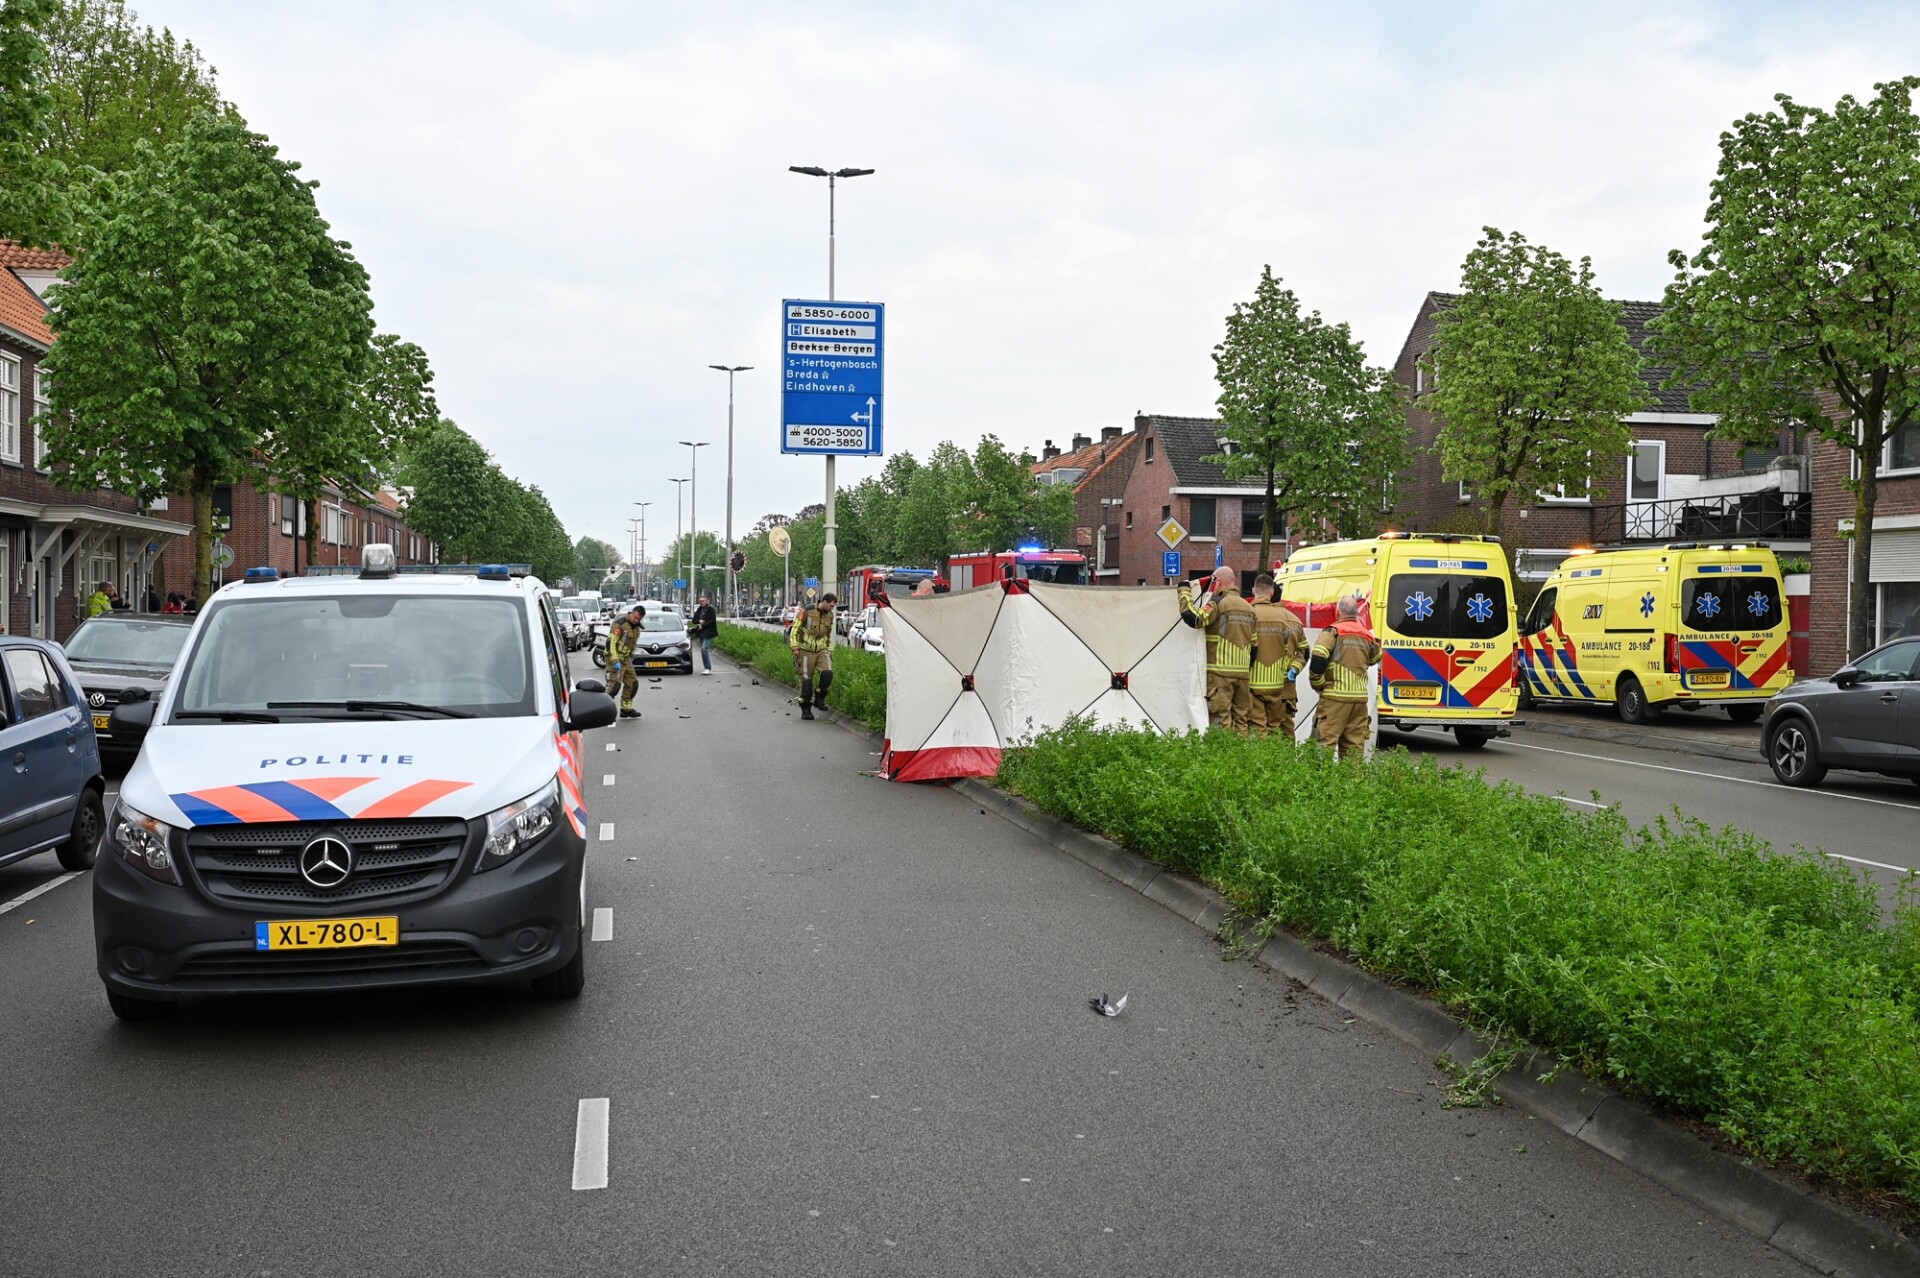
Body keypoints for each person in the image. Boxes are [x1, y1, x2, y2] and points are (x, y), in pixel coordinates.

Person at [1177, 567, 1257, 734]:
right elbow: (1255, 645)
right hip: (1242, 675)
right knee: (1242, 721)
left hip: (1220, 674)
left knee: (1221, 720)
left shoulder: (1219, 604)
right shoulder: (1249, 608)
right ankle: (1242, 758)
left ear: (1218, 582)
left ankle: (1223, 757)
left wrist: (1184, 592)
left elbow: (1195, 618)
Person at [1310, 591, 1382, 761]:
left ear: (1338, 611)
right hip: (1358, 700)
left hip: (1335, 698)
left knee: (1324, 744)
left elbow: (1318, 658)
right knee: (1354, 749)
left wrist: (1318, 684)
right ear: (1356, 613)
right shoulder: (1366, 635)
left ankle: (1322, 782)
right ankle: (1351, 785)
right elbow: (1376, 657)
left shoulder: (1333, 632)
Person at [1247, 573, 1307, 740]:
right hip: (1284, 686)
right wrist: (1294, 669)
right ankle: (1286, 764)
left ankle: (1264, 764)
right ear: (1272, 592)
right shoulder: (1291, 620)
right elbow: (1305, 651)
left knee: (1259, 730)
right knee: (1285, 730)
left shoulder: (1250, 615)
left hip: (1255, 684)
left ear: (1254, 590)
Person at [788, 591, 837, 721]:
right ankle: (806, 709)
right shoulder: (807, 611)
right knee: (806, 681)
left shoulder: (829, 616)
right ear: (824, 602)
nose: (832, 609)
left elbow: (828, 634)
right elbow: (795, 629)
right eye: (831, 606)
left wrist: (829, 650)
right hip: (805, 649)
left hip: (821, 649)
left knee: (828, 673)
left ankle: (819, 698)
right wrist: (794, 646)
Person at [605, 604, 643, 718]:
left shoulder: (636, 627)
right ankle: (603, 709)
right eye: (634, 617)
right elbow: (610, 643)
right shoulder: (619, 624)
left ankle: (626, 709)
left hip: (626, 659)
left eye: (639, 619)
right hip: (615, 657)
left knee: (633, 683)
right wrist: (614, 660)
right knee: (614, 685)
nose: (636, 620)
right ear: (631, 613)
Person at [691, 594, 719, 674]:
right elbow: (694, 620)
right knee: (703, 650)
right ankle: (706, 667)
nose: (701, 602)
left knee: (704, 649)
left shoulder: (711, 609)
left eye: (703, 601)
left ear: (707, 601)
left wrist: (703, 624)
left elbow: (712, 620)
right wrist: (699, 621)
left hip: (709, 632)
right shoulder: (699, 609)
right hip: (701, 633)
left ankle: (708, 668)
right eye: (700, 601)